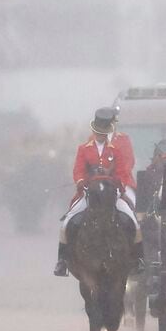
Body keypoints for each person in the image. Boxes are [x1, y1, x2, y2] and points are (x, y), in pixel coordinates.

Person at [54, 107, 139, 277]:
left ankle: (138, 259)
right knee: (67, 222)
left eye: (103, 133)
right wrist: (81, 182)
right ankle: (62, 261)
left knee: (133, 221)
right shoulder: (84, 148)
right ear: (94, 131)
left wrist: (118, 185)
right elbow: (78, 170)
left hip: (111, 193)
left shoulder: (115, 150)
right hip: (90, 193)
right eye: (97, 132)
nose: (100, 135)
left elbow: (122, 172)